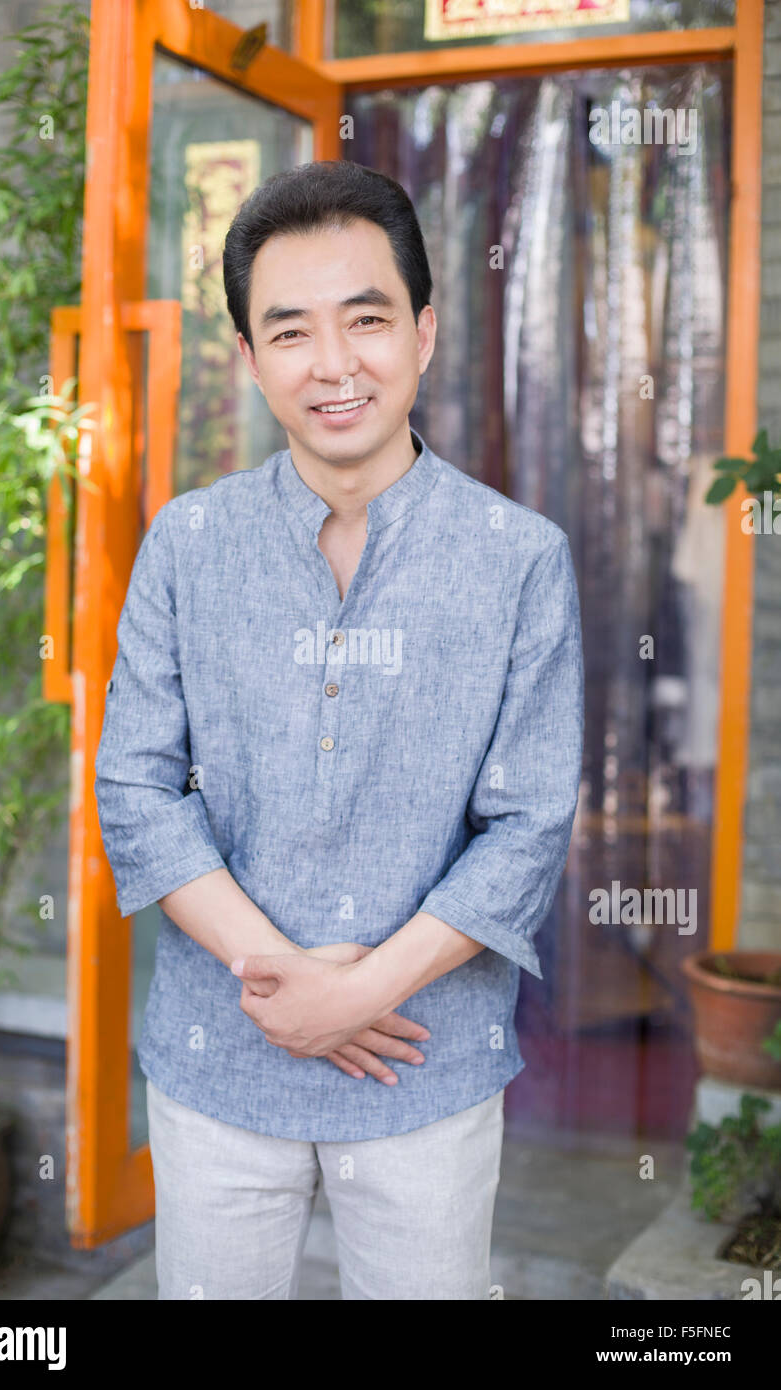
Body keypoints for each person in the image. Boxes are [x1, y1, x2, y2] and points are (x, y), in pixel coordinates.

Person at [94, 160, 585, 1301]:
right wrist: (293, 984)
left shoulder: (517, 558)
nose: (333, 364)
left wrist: (359, 998)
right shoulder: (188, 541)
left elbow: (526, 824)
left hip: (425, 1069)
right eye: (290, 331)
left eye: (364, 321)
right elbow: (136, 788)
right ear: (250, 356)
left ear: (420, 332)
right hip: (221, 1064)